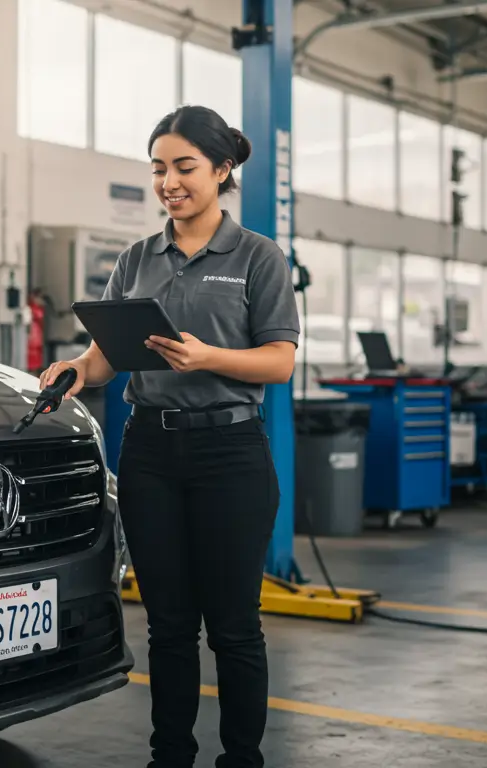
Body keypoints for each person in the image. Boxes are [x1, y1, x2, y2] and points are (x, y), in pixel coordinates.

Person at [38, 105, 300, 768]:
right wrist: (77, 369)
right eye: (159, 169)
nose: (169, 182)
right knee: (169, 626)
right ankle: (170, 757)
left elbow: (280, 361)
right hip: (151, 455)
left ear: (222, 169)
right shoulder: (137, 259)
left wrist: (208, 357)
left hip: (230, 455)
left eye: (185, 167)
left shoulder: (258, 257)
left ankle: (242, 759)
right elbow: (108, 355)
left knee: (234, 627)